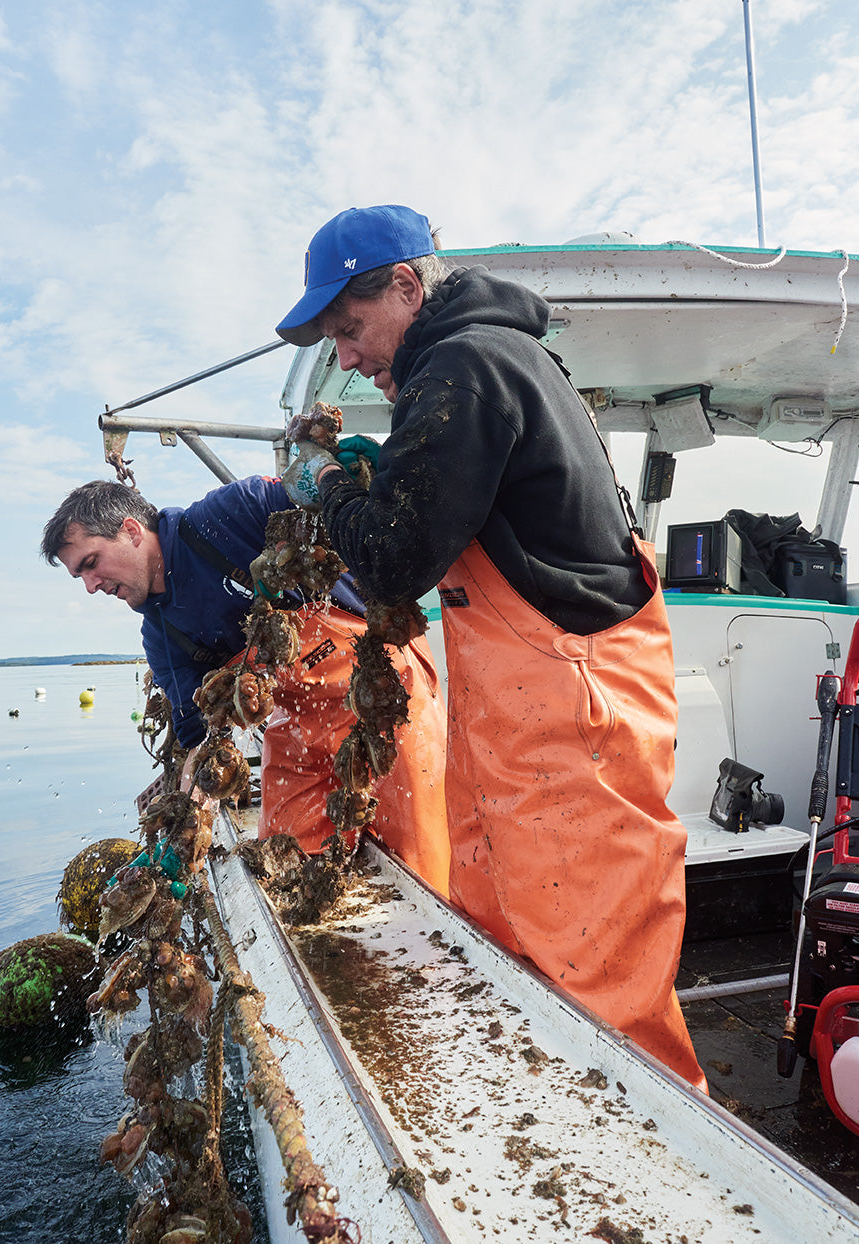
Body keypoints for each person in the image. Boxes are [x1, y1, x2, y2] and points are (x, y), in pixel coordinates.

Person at [275, 203, 706, 1090]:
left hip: (571, 703)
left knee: (593, 954)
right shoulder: (483, 361)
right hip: (524, 703)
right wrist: (379, 471)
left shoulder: (464, 365)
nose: (346, 356)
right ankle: (541, 1104)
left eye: (349, 330)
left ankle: (647, 1164)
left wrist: (327, 485)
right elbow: (435, 504)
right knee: (502, 918)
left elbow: (393, 563)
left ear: (405, 286)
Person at [41, 476, 450, 893]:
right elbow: (203, 743)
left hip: (384, 691)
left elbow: (313, 487)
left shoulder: (225, 517)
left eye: (91, 563)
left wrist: (335, 470)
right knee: (282, 863)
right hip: (299, 724)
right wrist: (185, 833)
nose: (91, 586)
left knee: (419, 851)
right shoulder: (162, 638)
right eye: (80, 577)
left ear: (130, 530)